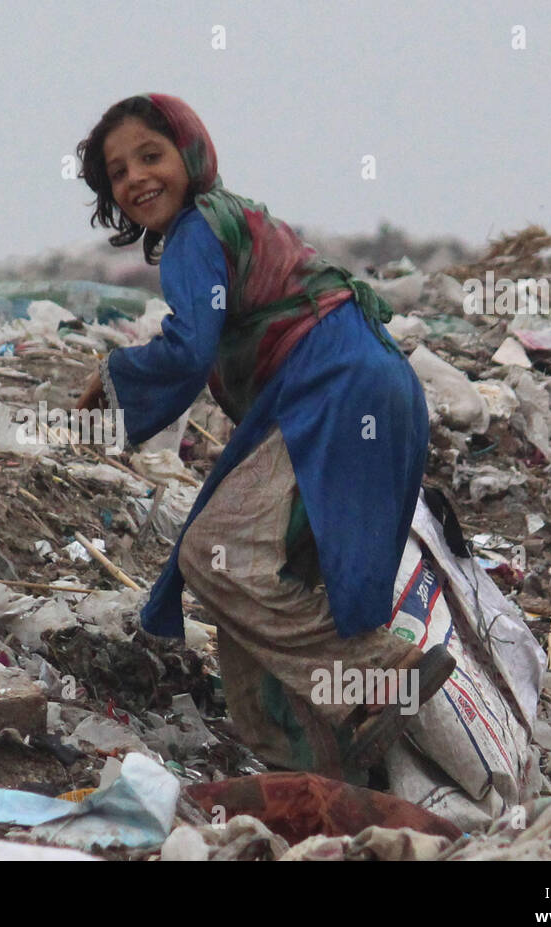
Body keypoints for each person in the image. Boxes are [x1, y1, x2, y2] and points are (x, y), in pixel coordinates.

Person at [74, 93, 453, 782]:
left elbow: (189, 351)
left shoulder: (194, 231)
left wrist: (118, 375)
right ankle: (318, 774)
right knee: (270, 593)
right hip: (375, 387)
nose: (136, 179)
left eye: (150, 157)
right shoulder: (232, 219)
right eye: (119, 172)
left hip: (332, 390)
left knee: (213, 555)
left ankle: (379, 669)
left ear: (191, 154)